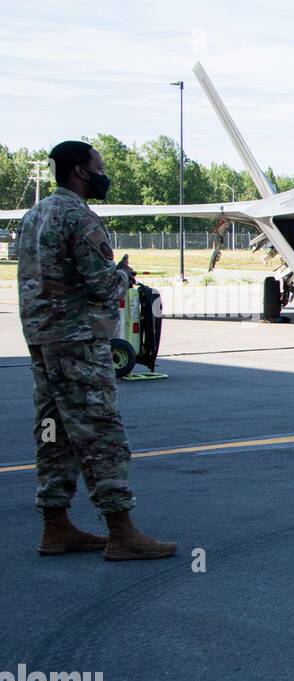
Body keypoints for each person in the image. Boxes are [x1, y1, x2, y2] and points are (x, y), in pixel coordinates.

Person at [16, 140, 175, 561]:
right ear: (79, 172)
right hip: (79, 342)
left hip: (42, 339)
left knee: (54, 433)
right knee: (102, 434)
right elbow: (101, 285)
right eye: (98, 166)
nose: (103, 174)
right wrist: (121, 275)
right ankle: (121, 531)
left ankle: (56, 526)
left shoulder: (35, 215)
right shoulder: (80, 219)